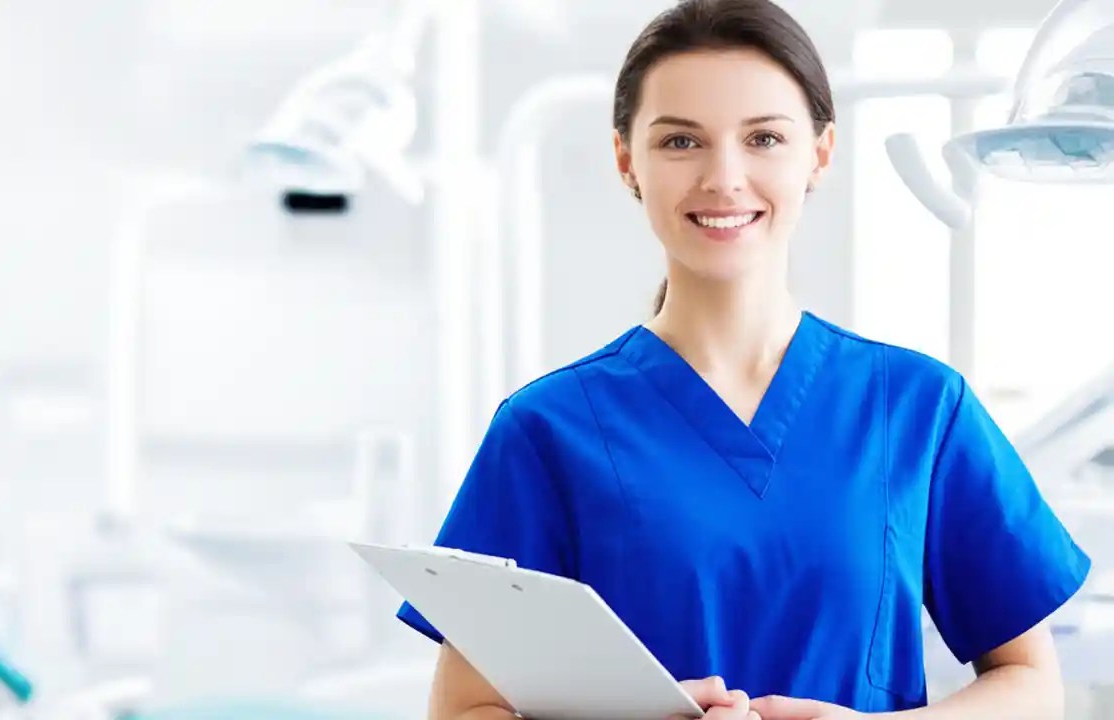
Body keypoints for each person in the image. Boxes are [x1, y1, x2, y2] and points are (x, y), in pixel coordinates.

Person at [396, 1, 1092, 718]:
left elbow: (1032, 686)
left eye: (763, 138)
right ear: (626, 160)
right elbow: (465, 709)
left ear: (820, 152)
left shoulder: (918, 407)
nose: (724, 178)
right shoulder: (547, 429)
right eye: (680, 141)